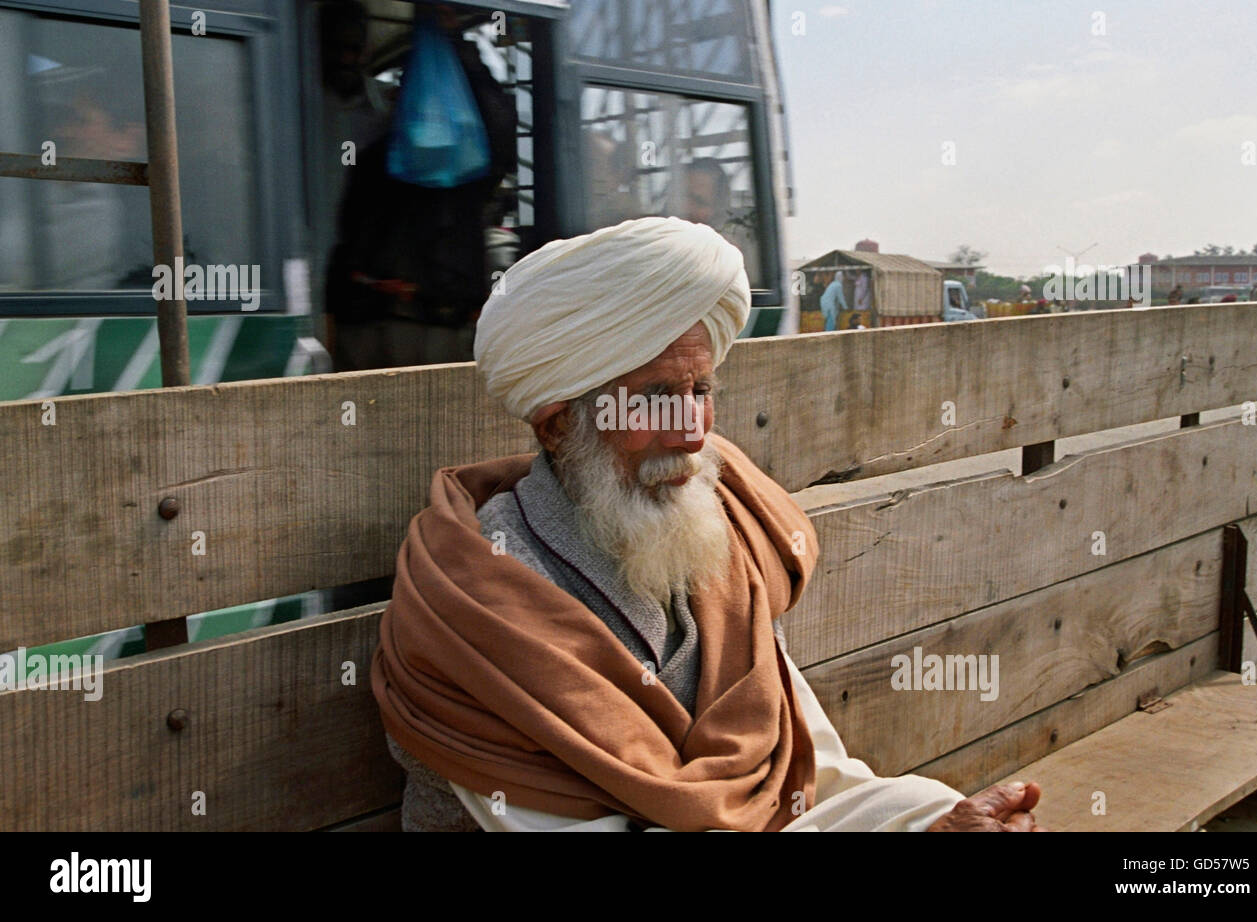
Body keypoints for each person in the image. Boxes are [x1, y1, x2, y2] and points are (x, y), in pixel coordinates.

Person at [371, 216, 1046, 832]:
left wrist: (930, 822)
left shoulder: (710, 539)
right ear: (558, 426)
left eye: (700, 392)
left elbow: (813, 780)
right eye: (658, 397)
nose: (693, 431)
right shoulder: (475, 601)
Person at [325, 6, 517, 370]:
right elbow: (501, 126)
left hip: (406, 322)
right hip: (397, 323)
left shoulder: (464, 164)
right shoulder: (463, 165)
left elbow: (347, 240)